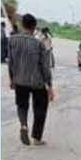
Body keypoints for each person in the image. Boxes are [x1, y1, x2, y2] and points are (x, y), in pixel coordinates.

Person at [8, 13, 55, 146]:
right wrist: (49, 86)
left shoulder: (12, 40)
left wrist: (12, 78)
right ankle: (37, 137)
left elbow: (11, 61)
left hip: (19, 79)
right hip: (36, 81)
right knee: (40, 107)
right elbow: (44, 66)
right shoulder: (39, 44)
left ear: (23, 24)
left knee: (22, 105)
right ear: (34, 27)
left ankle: (23, 125)